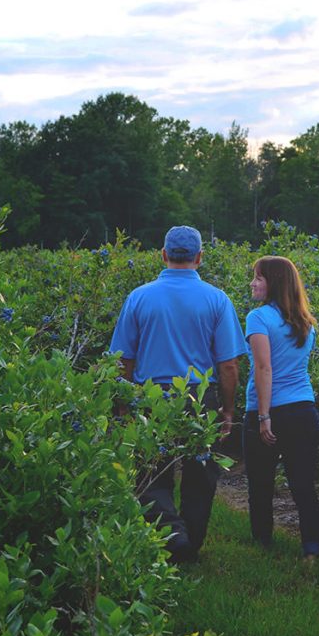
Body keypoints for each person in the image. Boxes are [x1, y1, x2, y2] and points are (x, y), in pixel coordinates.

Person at [109, 225, 246, 563]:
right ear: (200, 257)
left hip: (150, 397)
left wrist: (126, 406)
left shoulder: (139, 297)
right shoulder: (217, 299)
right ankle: (190, 543)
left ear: (164, 255)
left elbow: (123, 360)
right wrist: (227, 410)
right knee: (201, 475)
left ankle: (171, 536)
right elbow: (228, 365)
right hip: (201, 399)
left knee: (151, 472)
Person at [242, 255, 319, 560]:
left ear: (273, 283)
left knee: (260, 484)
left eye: (258, 278)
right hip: (303, 410)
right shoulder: (305, 322)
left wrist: (264, 417)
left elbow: (264, 369)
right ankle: (311, 551)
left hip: (268, 411)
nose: (253, 283)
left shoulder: (258, 317)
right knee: (303, 485)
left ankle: (263, 546)